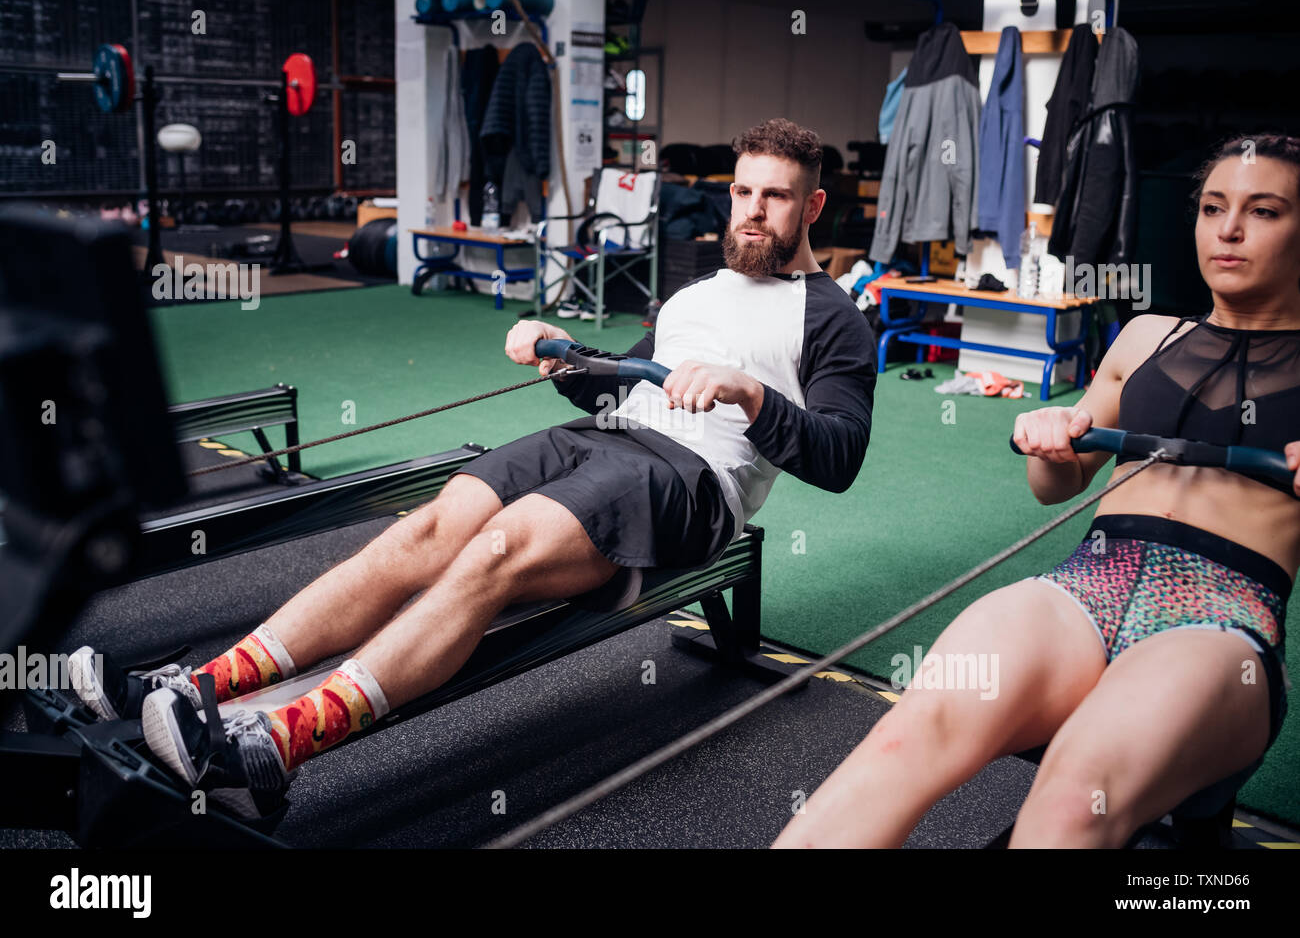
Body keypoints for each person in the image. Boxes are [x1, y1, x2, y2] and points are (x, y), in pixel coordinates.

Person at [70, 118, 877, 819]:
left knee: (497, 549)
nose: (752, 213)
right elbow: (621, 381)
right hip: (608, 438)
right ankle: (201, 686)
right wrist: (560, 353)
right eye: (742, 193)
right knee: (427, 527)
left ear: (811, 206)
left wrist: (748, 393)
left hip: (690, 482)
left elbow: (839, 458)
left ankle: (279, 742)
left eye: (773, 198)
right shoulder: (695, 292)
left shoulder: (832, 318)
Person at [774, 134, 1300, 848]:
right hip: (1086, 586)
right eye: (1213, 208)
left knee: (1070, 805)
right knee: (907, 734)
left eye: (1262, 211)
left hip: (1218, 616)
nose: (1229, 229)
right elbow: (1056, 487)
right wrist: (1052, 434)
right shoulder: (1145, 338)